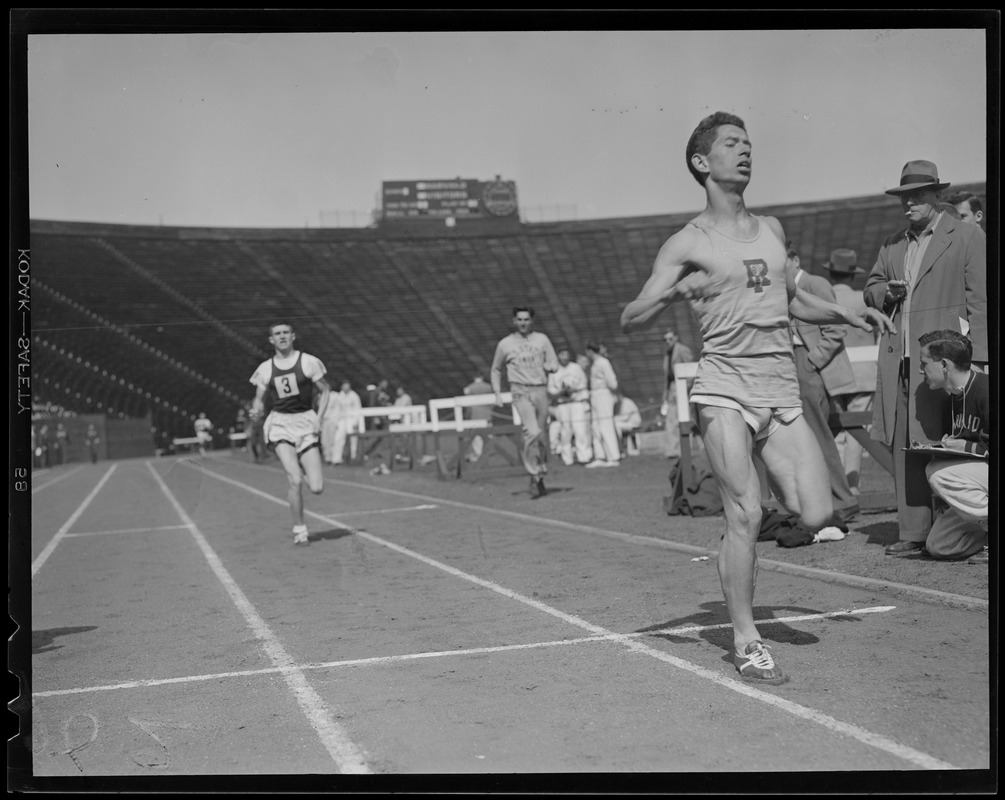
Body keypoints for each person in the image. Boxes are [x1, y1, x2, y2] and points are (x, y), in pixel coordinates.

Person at [620, 111, 894, 684]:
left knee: (817, 513)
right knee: (745, 512)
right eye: (731, 143)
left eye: (748, 143)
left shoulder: (771, 229)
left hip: (780, 389)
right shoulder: (688, 241)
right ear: (702, 162)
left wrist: (847, 313)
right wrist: (675, 293)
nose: (745, 151)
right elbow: (631, 316)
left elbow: (792, 296)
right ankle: (747, 640)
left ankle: (737, 537)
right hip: (724, 388)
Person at [863, 160, 987, 557]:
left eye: (916, 195)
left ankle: (968, 528)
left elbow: (981, 301)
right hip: (902, 362)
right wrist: (885, 293)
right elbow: (870, 287)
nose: (909, 203)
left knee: (949, 443)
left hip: (950, 364)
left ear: (937, 195)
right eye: (904, 197)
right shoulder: (892, 244)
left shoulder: (966, 236)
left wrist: (980, 362)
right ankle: (914, 533)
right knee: (908, 447)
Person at [784, 242, 860, 534]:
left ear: (795, 260)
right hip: (795, 365)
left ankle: (843, 500)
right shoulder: (784, 288)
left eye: (781, 260)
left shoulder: (814, 284)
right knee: (809, 439)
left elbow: (837, 326)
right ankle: (827, 501)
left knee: (819, 436)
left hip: (812, 367)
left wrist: (811, 361)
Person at [249, 322, 331, 546]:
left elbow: (325, 390)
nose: (282, 336)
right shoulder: (265, 368)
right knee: (295, 479)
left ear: (293, 336)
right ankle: (300, 529)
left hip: (305, 423)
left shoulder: (308, 362)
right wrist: (256, 411)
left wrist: (319, 418)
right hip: (280, 424)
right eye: (277, 334)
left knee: (316, 487)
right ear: (271, 340)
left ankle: (300, 469)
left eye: (286, 332)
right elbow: (258, 398)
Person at [915, 329, 989, 561]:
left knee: (937, 473)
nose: (920, 370)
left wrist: (962, 448)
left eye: (924, 363)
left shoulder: (986, 389)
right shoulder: (954, 396)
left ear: (944, 364)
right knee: (939, 545)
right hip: (984, 480)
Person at [490, 306, 559, 498]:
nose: (523, 323)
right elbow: (495, 369)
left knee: (541, 436)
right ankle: (533, 472)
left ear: (532, 321)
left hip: (540, 389)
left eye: (526, 319)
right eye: (519, 319)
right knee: (532, 431)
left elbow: (553, 362)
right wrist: (497, 392)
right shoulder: (505, 344)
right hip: (520, 391)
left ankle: (539, 474)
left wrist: (551, 367)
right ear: (514, 321)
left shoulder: (542, 339)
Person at [824, 248, 877, 494]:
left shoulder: (824, 299)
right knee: (857, 432)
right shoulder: (863, 299)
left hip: (833, 372)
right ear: (853, 275)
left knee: (836, 430)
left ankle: (837, 486)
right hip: (863, 374)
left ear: (831, 273)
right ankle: (852, 486)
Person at [547, 347, 593, 466]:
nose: (565, 357)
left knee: (580, 429)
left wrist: (574, 389)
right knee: (565, 431)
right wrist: (560, 392)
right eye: (562, 354)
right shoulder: (554, 370)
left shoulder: (575, 367)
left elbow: (583, 383)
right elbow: (550, 388)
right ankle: (567, 458)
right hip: (562, 403)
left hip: (576, 402)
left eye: (566, 354)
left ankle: (584, 456)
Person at [585, 342, 622, 468]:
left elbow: (612, 382)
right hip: (595, 395)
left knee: (606, 425)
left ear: (590, 351)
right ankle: (600, 456)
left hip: (603, 394)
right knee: (596, 426)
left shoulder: (603, 362)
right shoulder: (595, 363)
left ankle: (613, 456)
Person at [662, 329, 696, 463]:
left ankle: (685, 450)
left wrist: (685, 388)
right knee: (671, 420)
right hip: (671, 388)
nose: (667, 342)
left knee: (682, 419)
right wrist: (665, 393)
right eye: (665, 339)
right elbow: (667, 376)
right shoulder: (668, 353)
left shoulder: (682, 350)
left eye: (670, 339)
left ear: (676, 337)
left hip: (681, 386)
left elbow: (691, 369)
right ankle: (672, 450)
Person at [330, 379, 364, 465]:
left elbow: (358, 409)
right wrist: (336, 421)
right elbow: (337, 409)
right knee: (338, 438)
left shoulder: (354, 396)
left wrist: (355, 422)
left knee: (353, 439)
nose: (345, 387)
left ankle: (353, 457)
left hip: (351, 419)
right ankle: (336, 459)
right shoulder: (339, 396)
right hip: (342, 419)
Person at [462, 374, 494, 463]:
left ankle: (478, 454)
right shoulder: (489, 387)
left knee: (476, 437)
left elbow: (468, 404)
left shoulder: (469, 388)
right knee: (488, 435)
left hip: (475, 415)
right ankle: (488, 452)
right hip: (487, 414)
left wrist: (467, 415)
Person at [613, 391, 643, 456]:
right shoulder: (624, 402)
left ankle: (620, 447)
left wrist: (613, 419)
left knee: (616, 425)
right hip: (630, 423)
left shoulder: (626, 402)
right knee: (616, 425)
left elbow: (625, 417)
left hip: (633, 423)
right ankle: (620, 447)